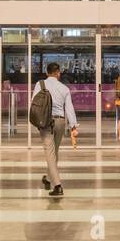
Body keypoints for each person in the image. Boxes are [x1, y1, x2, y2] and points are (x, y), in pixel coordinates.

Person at [33, 62, 77, 198]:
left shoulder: (40, 85)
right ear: (58, 73)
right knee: (54, 152)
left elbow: (33, 103)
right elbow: (69, 108)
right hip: (60, 122)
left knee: (49, 152)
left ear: (47, 73)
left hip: (46, 121)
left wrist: (35, 121)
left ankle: (57, 186)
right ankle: (47, 178)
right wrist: (73, 126)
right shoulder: (64, 88)